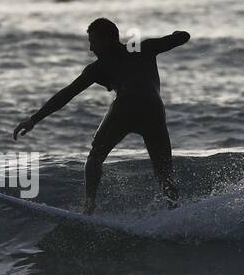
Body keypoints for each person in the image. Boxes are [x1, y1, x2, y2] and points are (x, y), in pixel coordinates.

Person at [13, 18, 188, 214]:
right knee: (164, 172)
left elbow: (66, 95)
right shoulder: (142, 48)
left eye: (94, 42)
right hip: (153, 109)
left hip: (125, 108)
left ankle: (88, 207)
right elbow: (182, 38)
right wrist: (176, 34)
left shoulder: (98, 68)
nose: (91, 48)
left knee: (95, 157)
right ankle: (174, 211)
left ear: (108, 40)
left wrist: (33, 120)